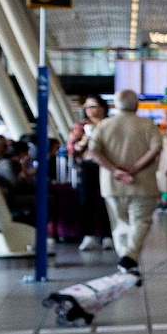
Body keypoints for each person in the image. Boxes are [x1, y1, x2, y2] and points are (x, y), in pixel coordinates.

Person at [89, 90, 164, 271]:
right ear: (136, 104)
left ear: (116, 104)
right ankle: (129, 256)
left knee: (119, 223)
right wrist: (135, 168)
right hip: (143, 183)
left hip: (112, 184)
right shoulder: (148, 125)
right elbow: (156, 148)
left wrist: (115, 170)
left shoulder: (104, 125)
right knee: (141, 221)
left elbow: (93, 151)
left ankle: (125, 258)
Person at [67, 95, 112, 249]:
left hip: (108, 166)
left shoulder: (110, 124)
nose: (90, 110)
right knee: (87, 200)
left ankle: (108, 235)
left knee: (107, 200)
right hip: (88, 166)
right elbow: (72, 148)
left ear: (103, 107)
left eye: (93, 106)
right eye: (87, 107)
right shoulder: (80, 127)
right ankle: (88, 235)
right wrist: (83, 141)